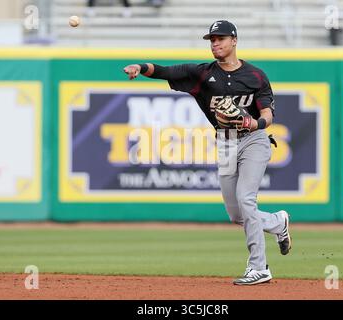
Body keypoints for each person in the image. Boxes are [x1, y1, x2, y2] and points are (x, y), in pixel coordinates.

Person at [123, 20, 292, 285]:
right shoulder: (201, 74)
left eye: (220, 38)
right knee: (237, 215)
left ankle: (259, 267)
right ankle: (278, 223)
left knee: (246, 200)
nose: (215, 43)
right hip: (225, 143)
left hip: (254, 140)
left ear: (234, 40)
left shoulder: (255, 75)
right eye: (212, 39)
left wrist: (253, 123)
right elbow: (163, 71)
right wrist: (139, 67)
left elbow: (268, 115)